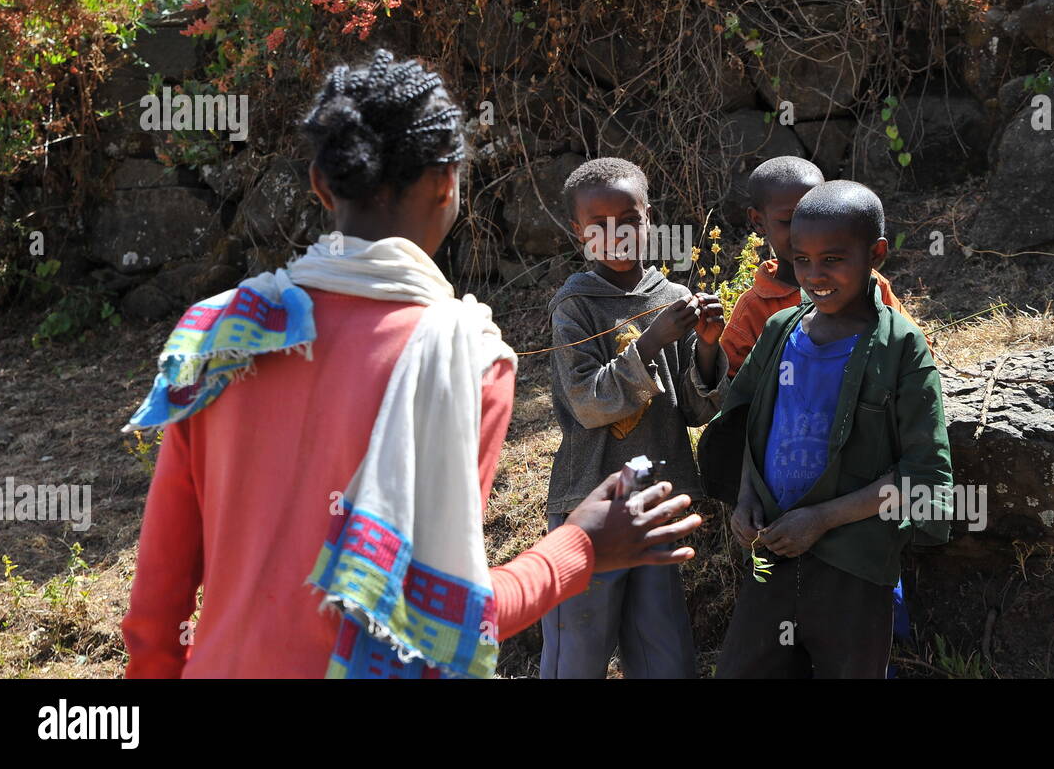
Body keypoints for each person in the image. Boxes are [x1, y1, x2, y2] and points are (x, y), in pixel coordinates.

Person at [120, 50, 700, 679]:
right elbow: (445, 613)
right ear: (450, 183)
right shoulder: (463, 354)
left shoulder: (219, 333)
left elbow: (154, 616)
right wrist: (581, 545)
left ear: (319, 184)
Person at [698, 180, 953, 679]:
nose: (815, 275)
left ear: (875, 254)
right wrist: (746, 497)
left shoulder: (901, 347)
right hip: (773, 553)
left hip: (854, 566)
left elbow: (922, 474)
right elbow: (746, 423)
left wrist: (821, 519)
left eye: (833, 259)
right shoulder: (779, 332)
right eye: (802, 259)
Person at [540, 157, 729, 679]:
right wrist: (650, 343)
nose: (615, 234)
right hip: (589, 504)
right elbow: (587, 403)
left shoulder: (671, 301)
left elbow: (694, 408)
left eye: (629, 219)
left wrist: (708, 348)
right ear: (577, 232)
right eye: (597, 226)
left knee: (661, 647)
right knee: (578, 644)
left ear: (650, 219)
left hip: (658, 502)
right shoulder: (575, 305)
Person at [720, 157, 927, 380]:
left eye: (819, 215)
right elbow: (730, 386)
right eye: (790, 220)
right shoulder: (755, 308)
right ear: (758, 221)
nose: (806, 231)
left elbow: (918, 354)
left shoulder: (867, 283)